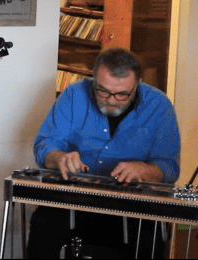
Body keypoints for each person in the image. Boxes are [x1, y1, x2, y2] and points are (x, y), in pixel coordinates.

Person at [28, 47, 180, 258]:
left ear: (138, 84)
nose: (110, 100)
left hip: (134, 204)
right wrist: (59, 158)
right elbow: (45, 144)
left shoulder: (159, 106)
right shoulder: (74, 94)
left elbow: (169, 166)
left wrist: (144, 170)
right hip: (75, 197)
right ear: (93, 78)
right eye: (102, 91)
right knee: (43, 226)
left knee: (147, 239)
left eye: (122, 94)